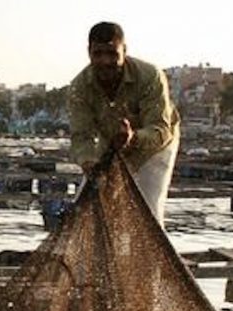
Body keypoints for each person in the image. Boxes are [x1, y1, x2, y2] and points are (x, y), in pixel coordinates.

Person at [68, 21, 181, 225]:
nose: (105, 61)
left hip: (153, 149)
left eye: (112, 54)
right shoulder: (79, 87)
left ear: (124, 51)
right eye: (98, 54)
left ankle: (146, 256)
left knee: (148, 214)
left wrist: (133, 137)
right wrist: (88, 162)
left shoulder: (150, 76)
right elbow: (81, 136)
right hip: (112, 145)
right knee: (86, 211)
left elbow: (161, 130)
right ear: (89, 52)